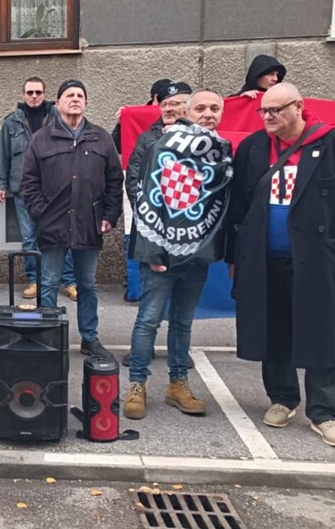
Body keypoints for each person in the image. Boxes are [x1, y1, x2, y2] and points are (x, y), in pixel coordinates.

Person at [226, 82, 335, 448]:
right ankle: (282, 397)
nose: (268, 117)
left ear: (299, 107)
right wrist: (233, 257)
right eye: (263, 111)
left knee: (320, 331)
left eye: (276, 110)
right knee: (273, 329)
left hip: (315, 259)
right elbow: (238, 209)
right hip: (264, 259)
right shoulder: (253, 147)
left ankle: (325, 413)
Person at [123, 88, 232, 420]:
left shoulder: (222, 151)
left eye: (215, 108)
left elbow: (222, 205)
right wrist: (154, 248)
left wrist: (221, 252)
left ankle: (177, 384)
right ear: (188, 111)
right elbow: (145, 196)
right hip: (161, 253)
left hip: (197, 254)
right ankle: (137, 383)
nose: (208, 113)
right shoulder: (162, 145)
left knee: (183, 323)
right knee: (149, 320)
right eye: (201, 107)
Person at [20, 79, 123, 358]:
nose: (75, 99)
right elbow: (28, 182)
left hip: (89, 224)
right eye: (69, 95)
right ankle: (49, 335)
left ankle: (89, 337)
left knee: (87, 284)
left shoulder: (101, 138)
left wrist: (110, 214)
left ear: (86, 102)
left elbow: (115, 179)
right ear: (58, 102)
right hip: (52, 224)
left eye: (80, 95)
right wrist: (40, 212)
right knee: (50, 281)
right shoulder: (41, 139)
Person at [122, 82, 196, 368]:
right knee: (150, 305)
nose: (169, 108)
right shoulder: (146, 139)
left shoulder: (199, 138)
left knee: (182, 308)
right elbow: (134, 180)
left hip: (187, 234)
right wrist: (150, 216)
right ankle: (143, 352)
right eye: (165, 104)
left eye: (176, 103)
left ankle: (178, 354)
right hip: (153, 233)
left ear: (186, 107)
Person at [0, 77, 76, 301]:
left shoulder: (58, 117)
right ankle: (34, 280)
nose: (34, 96)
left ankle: (69, 281)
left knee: (60, 235)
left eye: (38, 92)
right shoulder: (12, 122)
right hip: (23, 191)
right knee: (29, 237)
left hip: (55, 188)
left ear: (44, 94)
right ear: (23, 95)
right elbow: (3, 154)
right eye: (29, 92)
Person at [117, 78, 172, 304]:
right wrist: (121, 124)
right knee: (137, 242)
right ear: (157, 100)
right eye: (165, 102)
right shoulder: (141, 124)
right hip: (144, 198)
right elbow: (119, 148)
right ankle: (136, 290)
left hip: (175, 203)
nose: (170, 108)